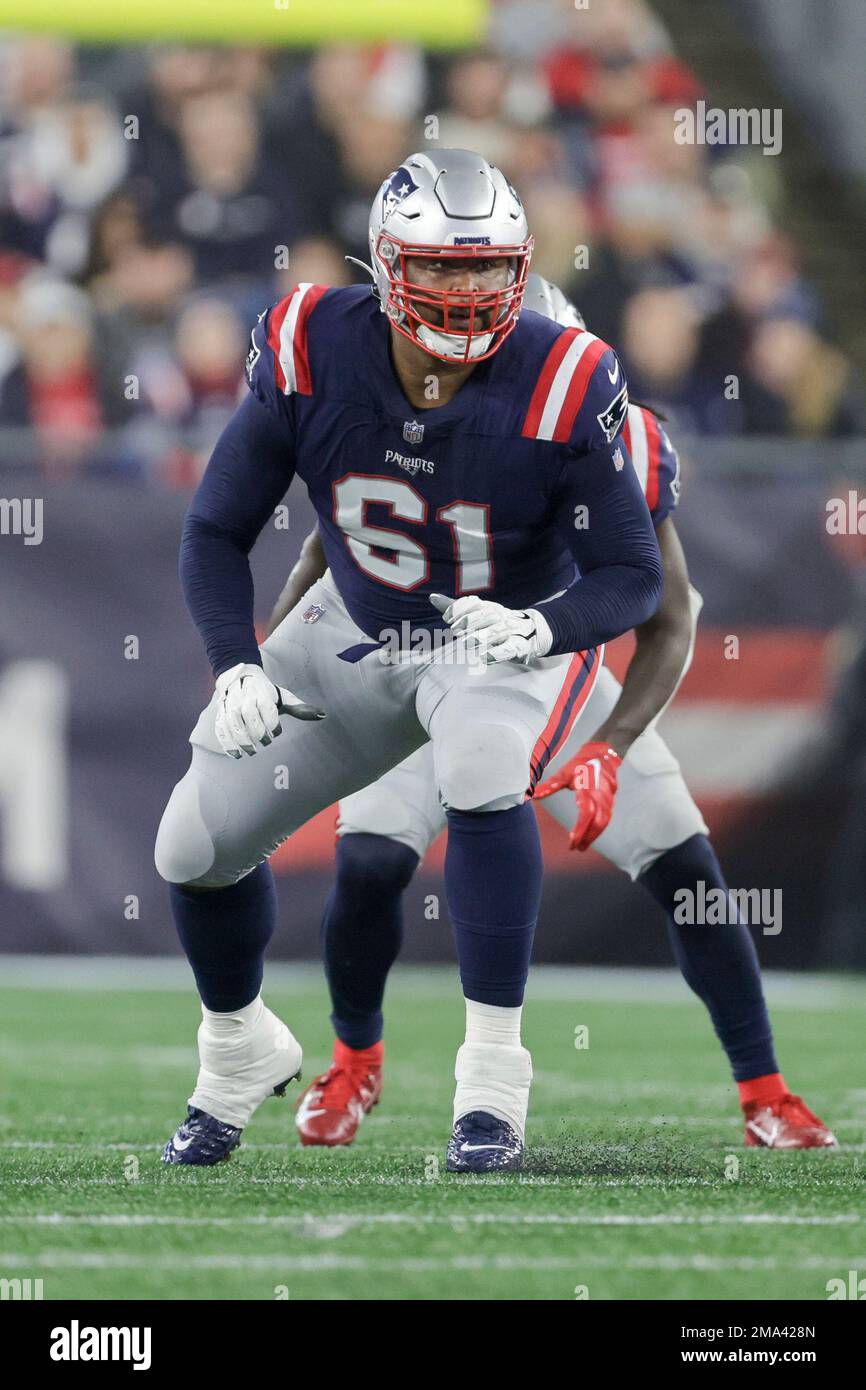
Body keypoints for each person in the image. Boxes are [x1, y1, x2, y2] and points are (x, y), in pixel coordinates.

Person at [154, 148, 663, 1172]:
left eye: (488, 267)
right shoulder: (308, 341)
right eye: (442, 265)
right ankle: (238, 1045)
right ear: (384, 262)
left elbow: (631, 575)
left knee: (479, 769)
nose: (468, 289)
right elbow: (215, 529)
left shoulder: (565, 373)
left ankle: (490, 1084)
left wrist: (547, 629)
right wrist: (234, 664)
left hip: (491, 639)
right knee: (187, 849)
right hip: (355, 623)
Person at [277, 276, 837, 1157]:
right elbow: (324, 552)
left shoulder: (615, 437)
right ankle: (354, 1060)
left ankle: (764, 1088)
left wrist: (612, 747)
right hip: (419, 671)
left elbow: (669, 612)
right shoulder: (398, 419)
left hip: (555, 677)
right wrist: (273, 664)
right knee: (370, 863)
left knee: (686, 870)